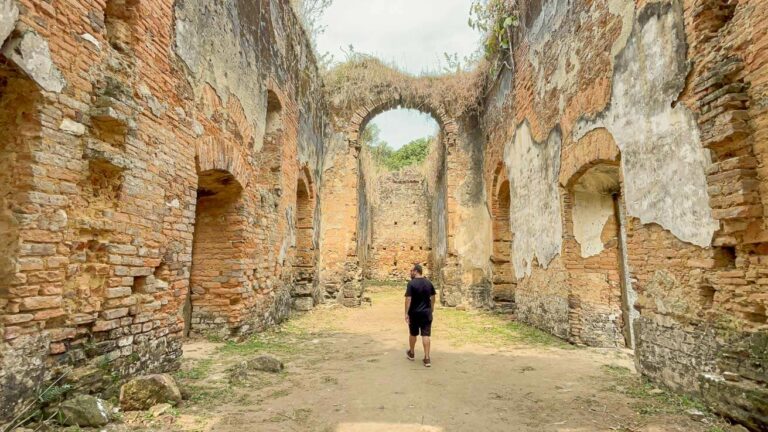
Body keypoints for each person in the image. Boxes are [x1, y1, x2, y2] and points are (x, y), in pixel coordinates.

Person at [404, 264, 436, 367]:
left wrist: (406, 313)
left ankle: (412, 353)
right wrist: (431, 308)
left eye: (411, 271)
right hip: (426, 313)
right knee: (426, 335)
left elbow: (408, 299)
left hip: (414, 313)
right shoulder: (428, 283)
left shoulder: (411, 284)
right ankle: (427, 358)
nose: (410, 272)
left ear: (416, 271)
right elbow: (433, 297)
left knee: (413, 334)